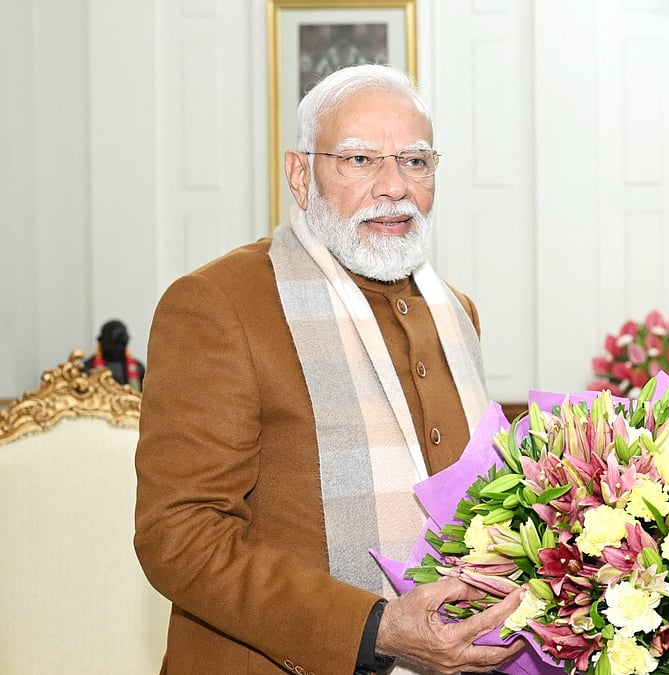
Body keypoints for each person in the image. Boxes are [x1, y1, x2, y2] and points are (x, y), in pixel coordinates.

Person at [134, 64, 524, 675]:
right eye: (359, 159)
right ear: (300, 174)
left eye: (416, 161)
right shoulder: (218, 304)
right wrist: (375, 629)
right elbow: (179, 535)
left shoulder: (456, 312)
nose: (394, 187)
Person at [82, 319, 146, 391]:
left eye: (121, 343)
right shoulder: (88, 368)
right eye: (113, 343)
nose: (118, 347)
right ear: (101, 340)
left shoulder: (138, 368)